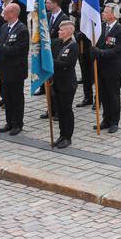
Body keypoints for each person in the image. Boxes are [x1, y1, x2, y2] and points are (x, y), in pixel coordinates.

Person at [91, 4, 121, 133]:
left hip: (113, 68)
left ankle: (114, 121)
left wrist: (100, 52)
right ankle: (106, 119)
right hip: (101, 67)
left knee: (113, 96)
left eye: (106, 12)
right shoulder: (100, 27)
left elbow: (117, 50)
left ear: (113, 14)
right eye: (103, 12)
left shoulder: (120, 30)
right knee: (103, 95)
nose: (103, 14)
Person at [0, 2, 28, 135]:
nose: (3, 14)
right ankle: (9, 122)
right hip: (4, 70)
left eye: (6, 12)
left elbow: (16, 50)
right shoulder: (4, 27)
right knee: (6, 97)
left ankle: (17, 124)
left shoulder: (22, 30)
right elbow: (2, 45)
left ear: (13, 14)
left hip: (16, 71)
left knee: (16, 98)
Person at [50, 20, 80, 149]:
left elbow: (67, 64)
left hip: (67, 83)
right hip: (56, 82)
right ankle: (61, 135)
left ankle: (68, 137)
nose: (58, 32)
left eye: (61, 30)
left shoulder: (73, 46)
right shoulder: (57, 43)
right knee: (60, 111)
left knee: (66, 110)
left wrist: (51, 62)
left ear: (68, 31)